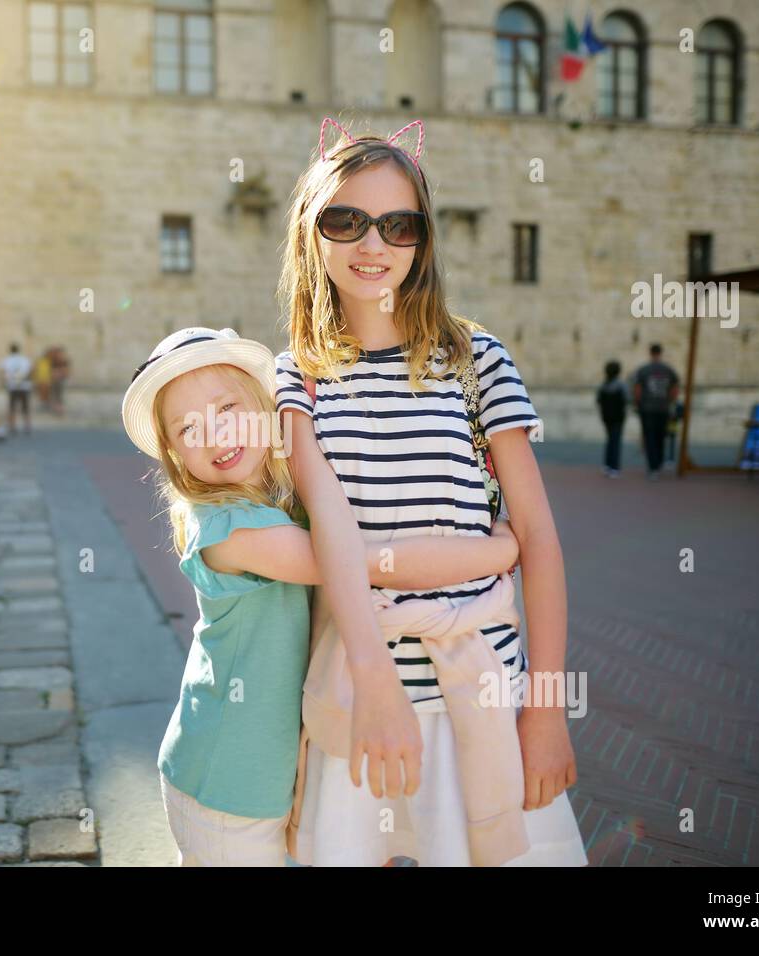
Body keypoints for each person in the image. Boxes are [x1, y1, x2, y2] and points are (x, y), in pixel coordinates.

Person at [273, 118, 587, 866]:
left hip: (478, 689)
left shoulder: (476, 359)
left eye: (397, 225)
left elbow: (537, 541)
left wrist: (545, 713)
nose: (372, 245)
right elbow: (330, 538)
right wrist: (378, 680)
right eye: (345, 221)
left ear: (423, 240)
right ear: (311, 233)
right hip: (356, 686)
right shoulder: (298, 375)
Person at [121, 326, 522, 866]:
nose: (214, 435)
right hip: (224, 781)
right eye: (188, 427)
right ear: (174, 454)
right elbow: (359, 562)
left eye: (227, 408)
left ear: (264, 407)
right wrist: (497, 555)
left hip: (258, 776)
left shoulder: (274, 504)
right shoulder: (228, 529)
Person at [632, 343, 681, 479]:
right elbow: (675, 389)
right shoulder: (668, 370)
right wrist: (670, 402)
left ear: (650, 353)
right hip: (663, 408)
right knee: (661, 437)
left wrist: (637, 404)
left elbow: (637, 389)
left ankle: (653, 467)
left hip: (647, 409)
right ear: (660, 353)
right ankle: (658, 463)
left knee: (650, 437)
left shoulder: (643, 370)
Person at [596, 360, 629, 477]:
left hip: (606, 417)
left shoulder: (603, 385)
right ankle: (614, 467)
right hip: (618, 417)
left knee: (610, 440)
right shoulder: (621, 385)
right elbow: (627, 399)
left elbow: (598, 401)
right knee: (615, 441)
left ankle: (607, 464)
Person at [0, 342, 33, 435]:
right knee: (25, 407)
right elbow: (30, 371)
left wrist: (4, 382)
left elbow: (2, 372)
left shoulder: (6, 360)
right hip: (24, 385)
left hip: (12, 385)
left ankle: (12, 426)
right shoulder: (25, 359)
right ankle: (27, 426)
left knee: (12, 407)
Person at [48, 346, 71, 416]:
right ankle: (57, 410)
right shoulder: (54, 362)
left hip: (60, 380)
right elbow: (51, 371)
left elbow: (66, 371)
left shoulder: (63, 361)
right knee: (55, 396)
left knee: (59, 397)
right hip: (55, 380)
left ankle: (59, 410)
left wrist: (60, 374)